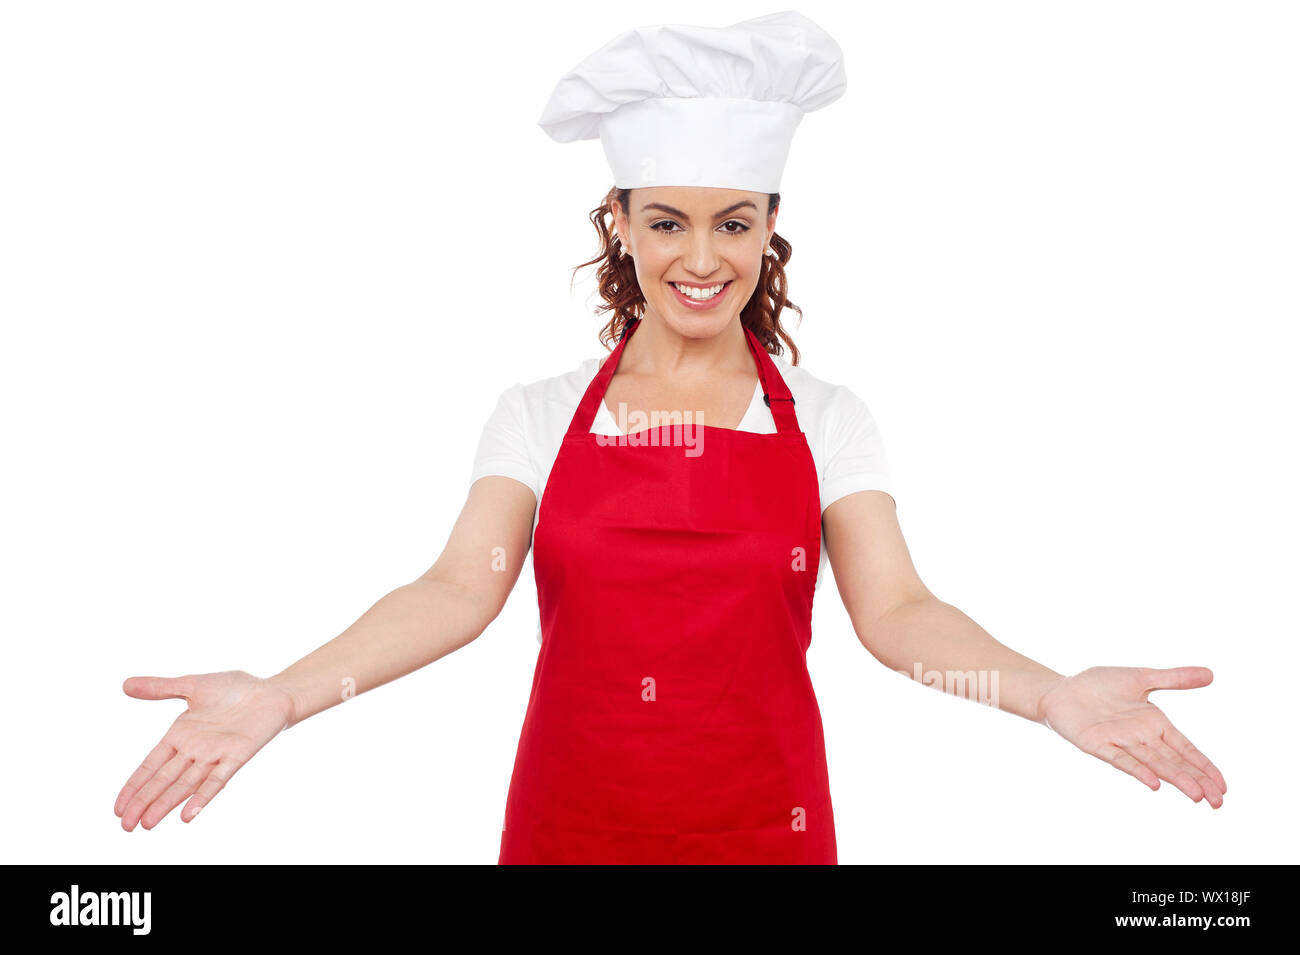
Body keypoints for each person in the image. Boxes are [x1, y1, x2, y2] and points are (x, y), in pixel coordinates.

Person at [114, 11, 1226, 864]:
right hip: (569, 817)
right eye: (667, 222)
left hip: (766, 821)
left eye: (733, 223)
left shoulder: (827, 418)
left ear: (770, 225)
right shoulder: (542, 411)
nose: (702, 259)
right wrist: (282, 695)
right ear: (622, 224)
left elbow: (898, 614)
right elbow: (460, 588)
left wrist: (1048, 696)